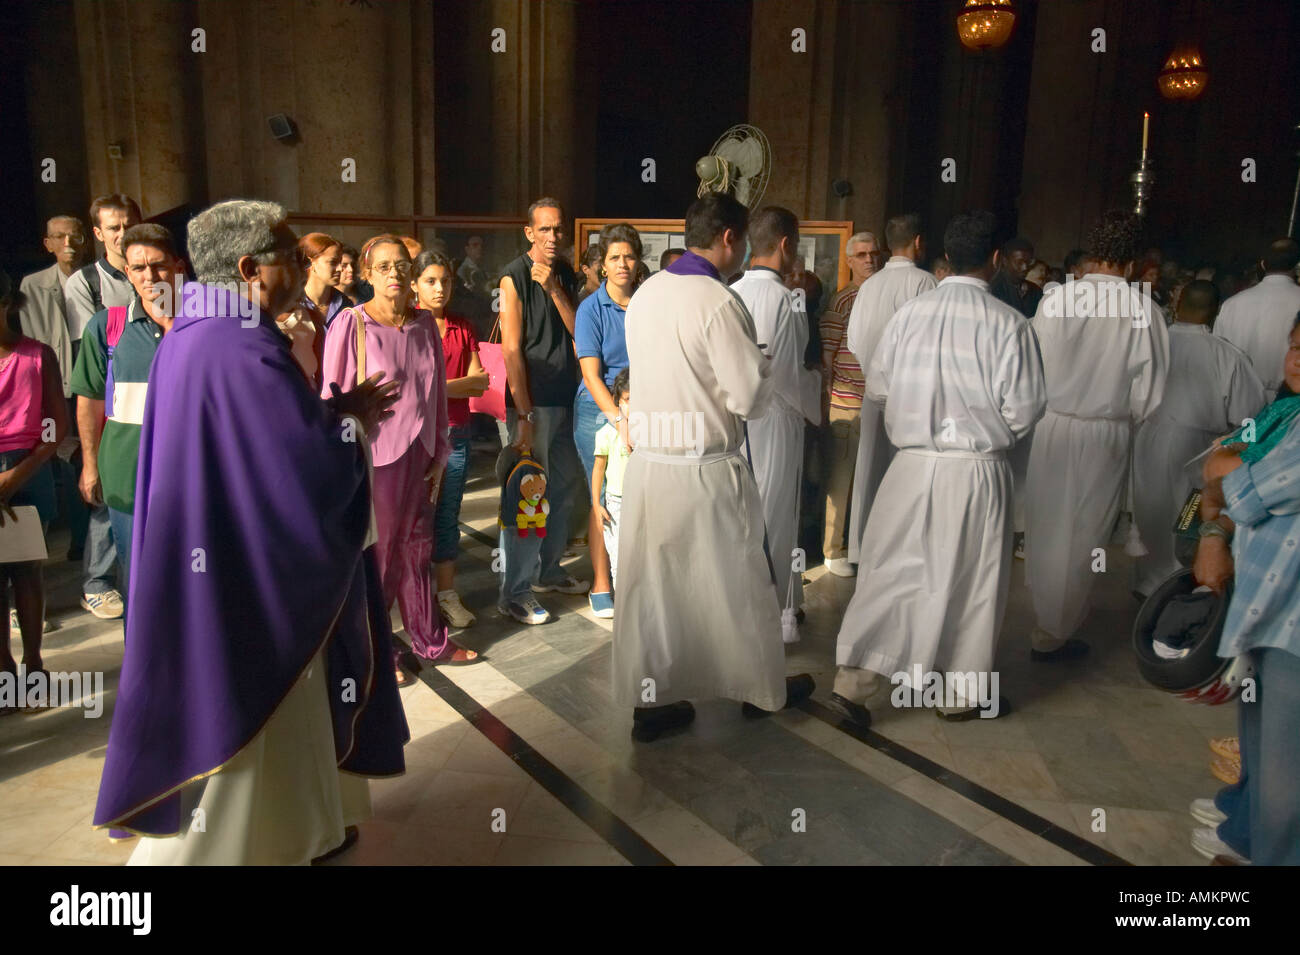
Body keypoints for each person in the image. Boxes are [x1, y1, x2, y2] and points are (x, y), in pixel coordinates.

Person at [93, 199, 407, 864]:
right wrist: (349, 427)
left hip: (224, 557)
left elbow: (268, 445)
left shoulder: (203, 330)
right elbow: (300, 470)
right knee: (255, 709)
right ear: (246, 269)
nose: (299, 265)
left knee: (283, 716)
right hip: (246, 581)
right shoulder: (237, 347)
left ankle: (301, 829)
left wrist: (329, 417)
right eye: (287, 254)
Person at [830, 211, 1045, 726]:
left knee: (891, 570)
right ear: (995, 260)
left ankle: (855, 683)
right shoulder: (1010, 325)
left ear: (946, 256)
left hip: (909, 466)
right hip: (975, 470)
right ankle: (959, 693)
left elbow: (878, 386)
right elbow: (1025, 408)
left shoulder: (910, 316)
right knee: (973, 581)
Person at [613, 192, 813, 743]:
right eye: (743, 239)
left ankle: (651, 703)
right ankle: (759, 691)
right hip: (705, 467)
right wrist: (764, 365)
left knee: (655, 592)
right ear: (730, 237)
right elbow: (748, 398)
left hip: (652, 467)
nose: (744, 249)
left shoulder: (648, 292)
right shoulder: (719, 302)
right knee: (741, 583)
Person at [321, 236, 479, 679]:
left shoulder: (425, 325)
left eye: (402, 265)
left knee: (419, 550)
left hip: (422, 453)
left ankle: (430, 639)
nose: (395, 273)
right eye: (384, 266)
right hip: (376, 459)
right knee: (382, 558)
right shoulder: (351, 325)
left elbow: (434, 395)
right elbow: (331, 401)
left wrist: (439, 448)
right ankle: (375, 649)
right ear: (367, 274)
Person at [1024, 210, 1169, 660]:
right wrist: (1132, 416)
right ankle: (1055, 629)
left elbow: (1033, 361)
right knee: (1085, 532)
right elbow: (1153, 388)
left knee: (1046, 523)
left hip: (1051, 425)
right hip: (1105, 431)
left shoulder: (1056, 299)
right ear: (1129, 263)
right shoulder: (1144, 308)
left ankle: (1047, 612)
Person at [1189, 316, 1300, 865]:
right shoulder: (1284, 411)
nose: (1298, 360)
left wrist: (1222, 485)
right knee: (1260, 733)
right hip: (1267, 603)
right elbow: (1222, 457)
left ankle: (1263, 841)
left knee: (1286, 762)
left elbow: (1238, 479)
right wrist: (1226, 473)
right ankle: (1247, 824)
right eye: (1295, 347)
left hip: (1290, 617)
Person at [70, 224, 182, 600]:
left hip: (192, 484)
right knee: (140, 590)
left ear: (178, 265)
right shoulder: (106, 329)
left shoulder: (204, 325)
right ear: (128, 273)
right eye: (138, 268)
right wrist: (89, 465)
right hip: (128, 485)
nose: (150, 276)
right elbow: (89, 400)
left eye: (159, 265)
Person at [1131, 280, 1265, 597]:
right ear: (1215, 311)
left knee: (1150, 511)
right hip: (1200, 448)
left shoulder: (1151, 346)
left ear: (1178, 305)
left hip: (1148, 436)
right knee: (1187, 515)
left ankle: (1145, 583)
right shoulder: (1227, 355)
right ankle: (1179, 587)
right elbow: (1253, 419)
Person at [497, 197, 588, 624]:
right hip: (533, 405)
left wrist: (554, 289)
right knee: (528, 497)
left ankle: (548, 571)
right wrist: (524, 414)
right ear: (529, 232)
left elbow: (579, 331)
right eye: (545, 229)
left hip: (567, 398)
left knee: (566, 490)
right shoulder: (512, 277)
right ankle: (515, 590)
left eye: (558, 229)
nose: (553, 237)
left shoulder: (564, 273)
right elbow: (512, 350)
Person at [732, 207, 821, 625]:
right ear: (786, 244)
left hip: (736, 419)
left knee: (743, 513)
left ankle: (757, 602)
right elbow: (788, 372)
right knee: (778, 513)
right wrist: (815, 384)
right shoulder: (788, 300)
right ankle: (776, 613)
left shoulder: (731, 292)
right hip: (776, 416)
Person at [843, 214, 936, 571]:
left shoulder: (870, 286)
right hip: (910, 398)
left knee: (868, 472)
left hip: (872, 392)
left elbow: (854, 340)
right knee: (904, 475)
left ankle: (861, 550)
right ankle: (898, 554)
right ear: (916, 242)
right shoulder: (925, 282)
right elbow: (929, 344)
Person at [65, 195, 140, 621]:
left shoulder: (158, 274)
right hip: (105, 389)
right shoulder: (86, 283)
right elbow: (94, 345)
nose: (122, 233)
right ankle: (96, 582)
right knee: (104, 492)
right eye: (113, 227)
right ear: (98, 233)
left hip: (141, 395)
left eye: (128, 224)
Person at [0, 268, 68, 706]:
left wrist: (16, 475)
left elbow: (54, 424)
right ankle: (4, 672)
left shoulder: (37, 355)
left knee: (26, 569)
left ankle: (34, 664)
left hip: (28, 469)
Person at [411, 249, 489, 629]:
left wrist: (433, 388)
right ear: (414, 285)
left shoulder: (462, 326)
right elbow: (407, 389)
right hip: (415, 438)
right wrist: (450, 387)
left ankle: (446, 594)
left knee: (447, 516)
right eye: (430, 281)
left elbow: (480, 381)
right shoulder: (406, 327)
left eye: (445, 281)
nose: (439, 288)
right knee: (413, 517)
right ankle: (414, 598)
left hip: (456, 433)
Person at [574, 223, 641, 619]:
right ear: (602, 264)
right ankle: (602, 581)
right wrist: (618, 420)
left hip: (643, 408)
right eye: (614, 257)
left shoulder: (648, 302)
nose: (622, 264)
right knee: (603, 494)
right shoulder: (590, 308)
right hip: (599, 411)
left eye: (629, 256)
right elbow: (591, 374)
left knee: (640, 496)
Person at [18, 215, 89, 565]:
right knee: (67, 461)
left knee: (93, 460)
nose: (68, 244)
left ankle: (91, 542)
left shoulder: (95, 278)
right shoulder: (32, 285)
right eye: (59, 238)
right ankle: (78, 541)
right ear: (47, 243)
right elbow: (34, 340)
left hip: (92, 384)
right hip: (57, 387)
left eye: (75, 237)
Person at [817, 231, 879, 575]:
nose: (869, 259)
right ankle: (832, 548)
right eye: (862, 254)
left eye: (874, 253)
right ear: (850, 260)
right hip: (846, 402)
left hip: (876, 402)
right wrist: (827, 404)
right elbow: (829, 357)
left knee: (865, 479)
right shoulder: (843, 301)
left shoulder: (881, 295)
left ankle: (855, 544)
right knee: (841, 480)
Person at [1214, 239, 1300, 402]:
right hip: (1288, 402)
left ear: (1263, 264)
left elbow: (1219, 359)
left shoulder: (1233, 304)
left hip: (1237, 399)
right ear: (1296, 266)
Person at [591, 369, 632, 588]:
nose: (632, 406)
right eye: (627, 400)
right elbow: (598, 469)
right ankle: (623, 608)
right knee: (618, 558)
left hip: (642, 500)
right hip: (615, 503)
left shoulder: (648, 432)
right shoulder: (607, 433)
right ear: (617, 400)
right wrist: (597, 504)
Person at [299, 232, 353, 328]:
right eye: (332, 262)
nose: (340, 269)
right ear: (311, 262)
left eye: (340, 262)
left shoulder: (346, 305)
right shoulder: (291, 304)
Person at [989, 236, 1041, 318]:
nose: (1025, 267)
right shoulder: (993, 288)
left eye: (1029, 262)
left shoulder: (1035, 291)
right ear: (1005, 261)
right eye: (1019, 262)